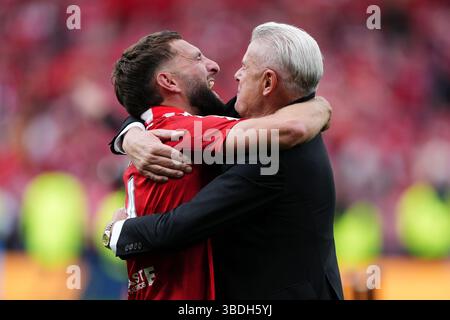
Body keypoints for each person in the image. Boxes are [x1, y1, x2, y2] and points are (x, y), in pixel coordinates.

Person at [105, 28, 332, 299]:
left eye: (245, 68)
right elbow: (292, 126)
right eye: (198, 58)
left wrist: (116, 232)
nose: (219, 67)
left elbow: (290, 126)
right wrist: (129, 134)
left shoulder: (183, 132)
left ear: (268, 82)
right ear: (168, 81)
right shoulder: (185, 133)